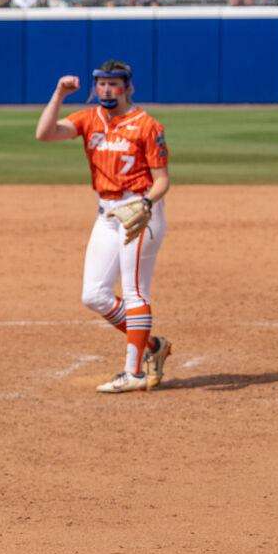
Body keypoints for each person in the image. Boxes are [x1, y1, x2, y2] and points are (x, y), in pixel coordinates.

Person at [33, 61, 174, 394]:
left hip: (140, 211)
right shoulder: (89, 119)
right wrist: (58, 94)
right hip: (107, 216)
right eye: (102, 84)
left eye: (114, 84)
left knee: (134, 291)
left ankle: (134, 372)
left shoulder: (147, 125)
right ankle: (153, 346)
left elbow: (163, 181)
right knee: (94, 295)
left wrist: (145, 204)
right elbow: (44, 134)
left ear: (128, 87)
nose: (107, 90)